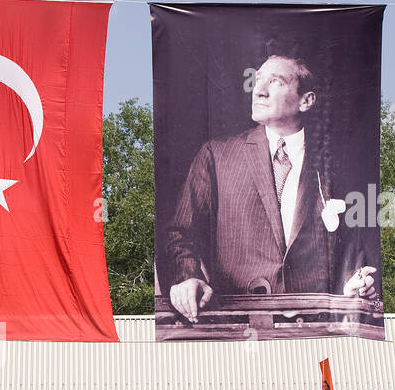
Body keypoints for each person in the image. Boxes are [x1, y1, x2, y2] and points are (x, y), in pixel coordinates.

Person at [159, 53, 378, 324]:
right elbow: (180, 233)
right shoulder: (216, 156)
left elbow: (352, 249)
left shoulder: (337, 166)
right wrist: (187, 277)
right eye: (257, 80)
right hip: (237, 332)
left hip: (314, 330)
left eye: (275, 82)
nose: (258, 91)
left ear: (306, 101)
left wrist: (352, 286)